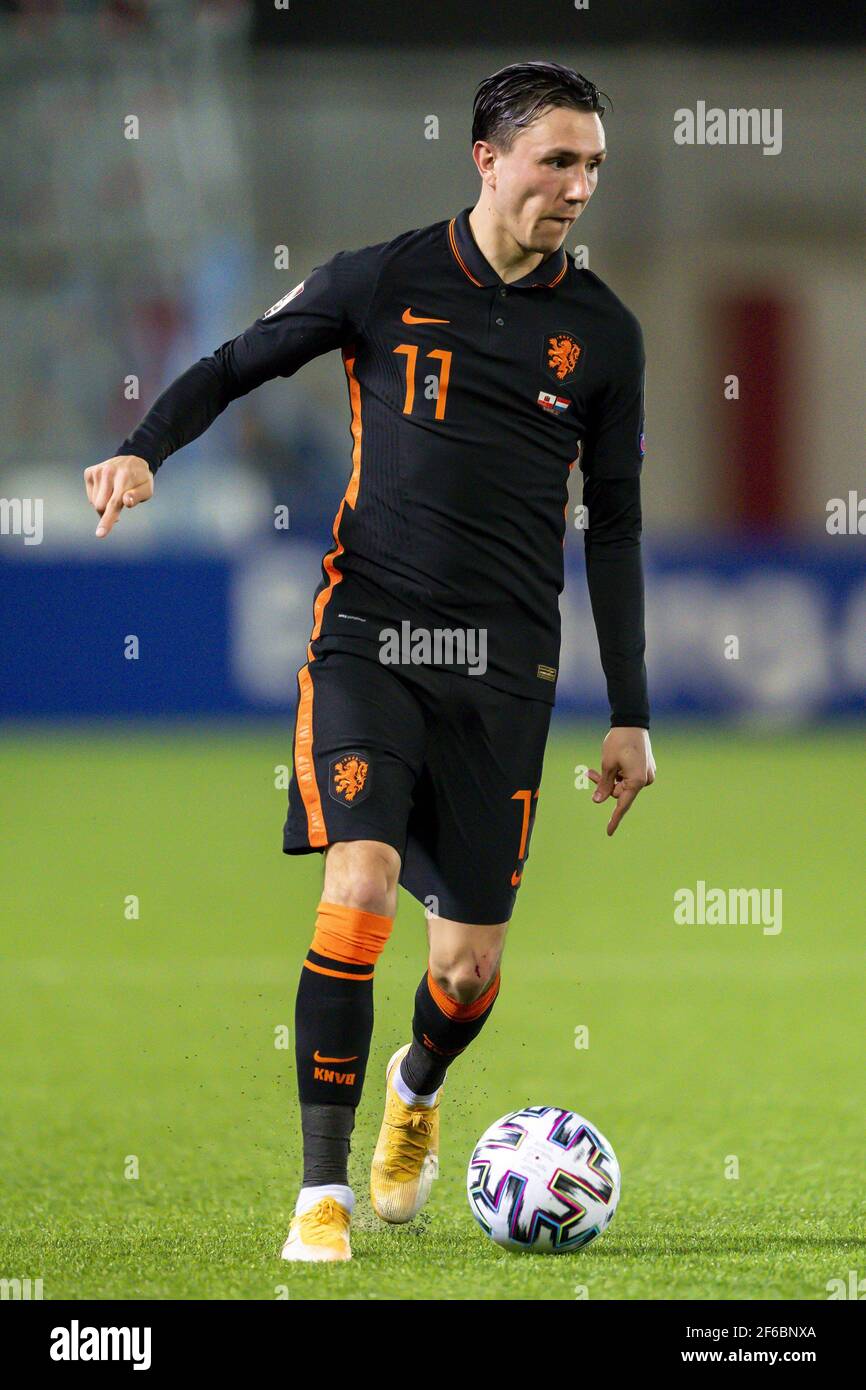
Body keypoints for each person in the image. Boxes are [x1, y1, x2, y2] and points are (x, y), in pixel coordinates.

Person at [84, 60, 656, 1263]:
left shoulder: (601, 332)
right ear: (486, 158)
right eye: (557, 159)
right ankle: (321, 1194)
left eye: (591, 164)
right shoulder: (381, 278)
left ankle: (418, 1083)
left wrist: (629, 712)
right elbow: (235, 362)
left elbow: (614, 522)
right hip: (371, 633)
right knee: (356, 887)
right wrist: (144, 452)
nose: (577, 186)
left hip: (505, 668)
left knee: (465, 966)